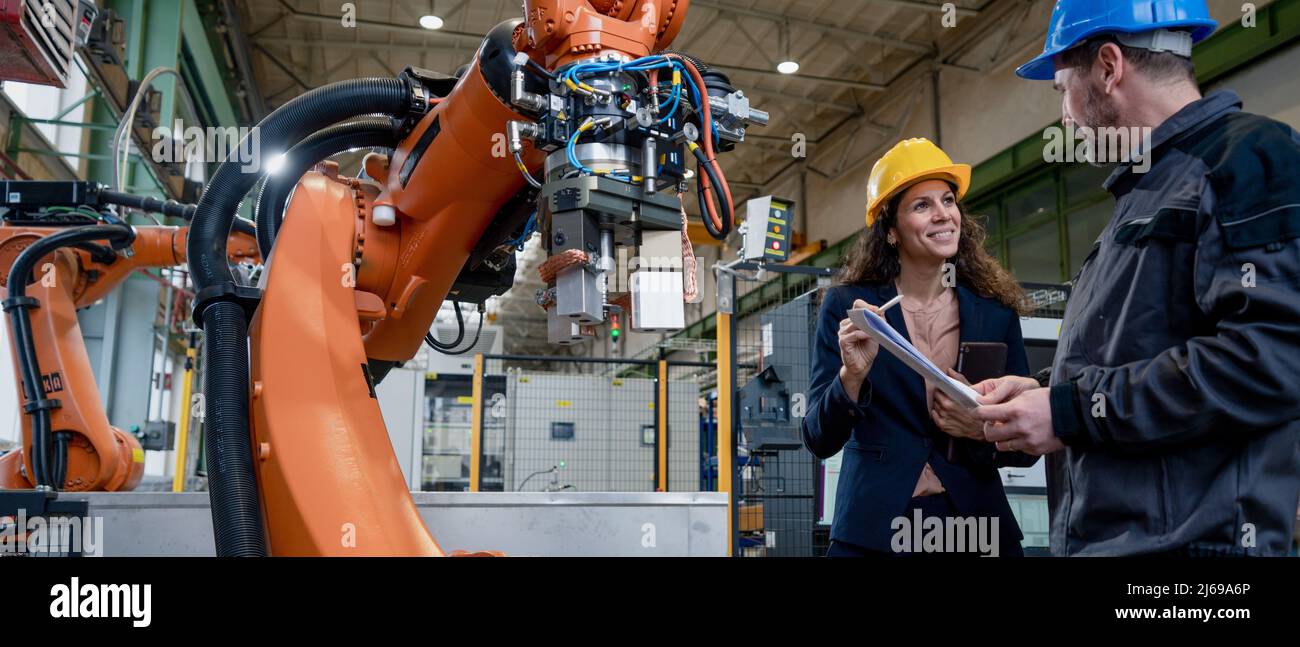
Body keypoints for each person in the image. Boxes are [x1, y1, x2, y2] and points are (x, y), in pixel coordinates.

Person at [974, 0, 1300, 556]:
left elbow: (1271, 359)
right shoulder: (1149, 193)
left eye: (1061, 91)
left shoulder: (1249, 160)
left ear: (1107, 66)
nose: (1066, 117)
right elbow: (1142, 347)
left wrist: (1072, 411)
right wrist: (1047, 393)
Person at [802, 138, 1038, 557]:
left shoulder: (995, 313)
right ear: (891, 231)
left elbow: (1024, 451)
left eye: (947, 200)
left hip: (975, 525)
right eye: (921, 205)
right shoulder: (850, 309)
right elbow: (819, 438)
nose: (943, 214)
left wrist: (981, 428)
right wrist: (851, 377)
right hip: (876, 529)